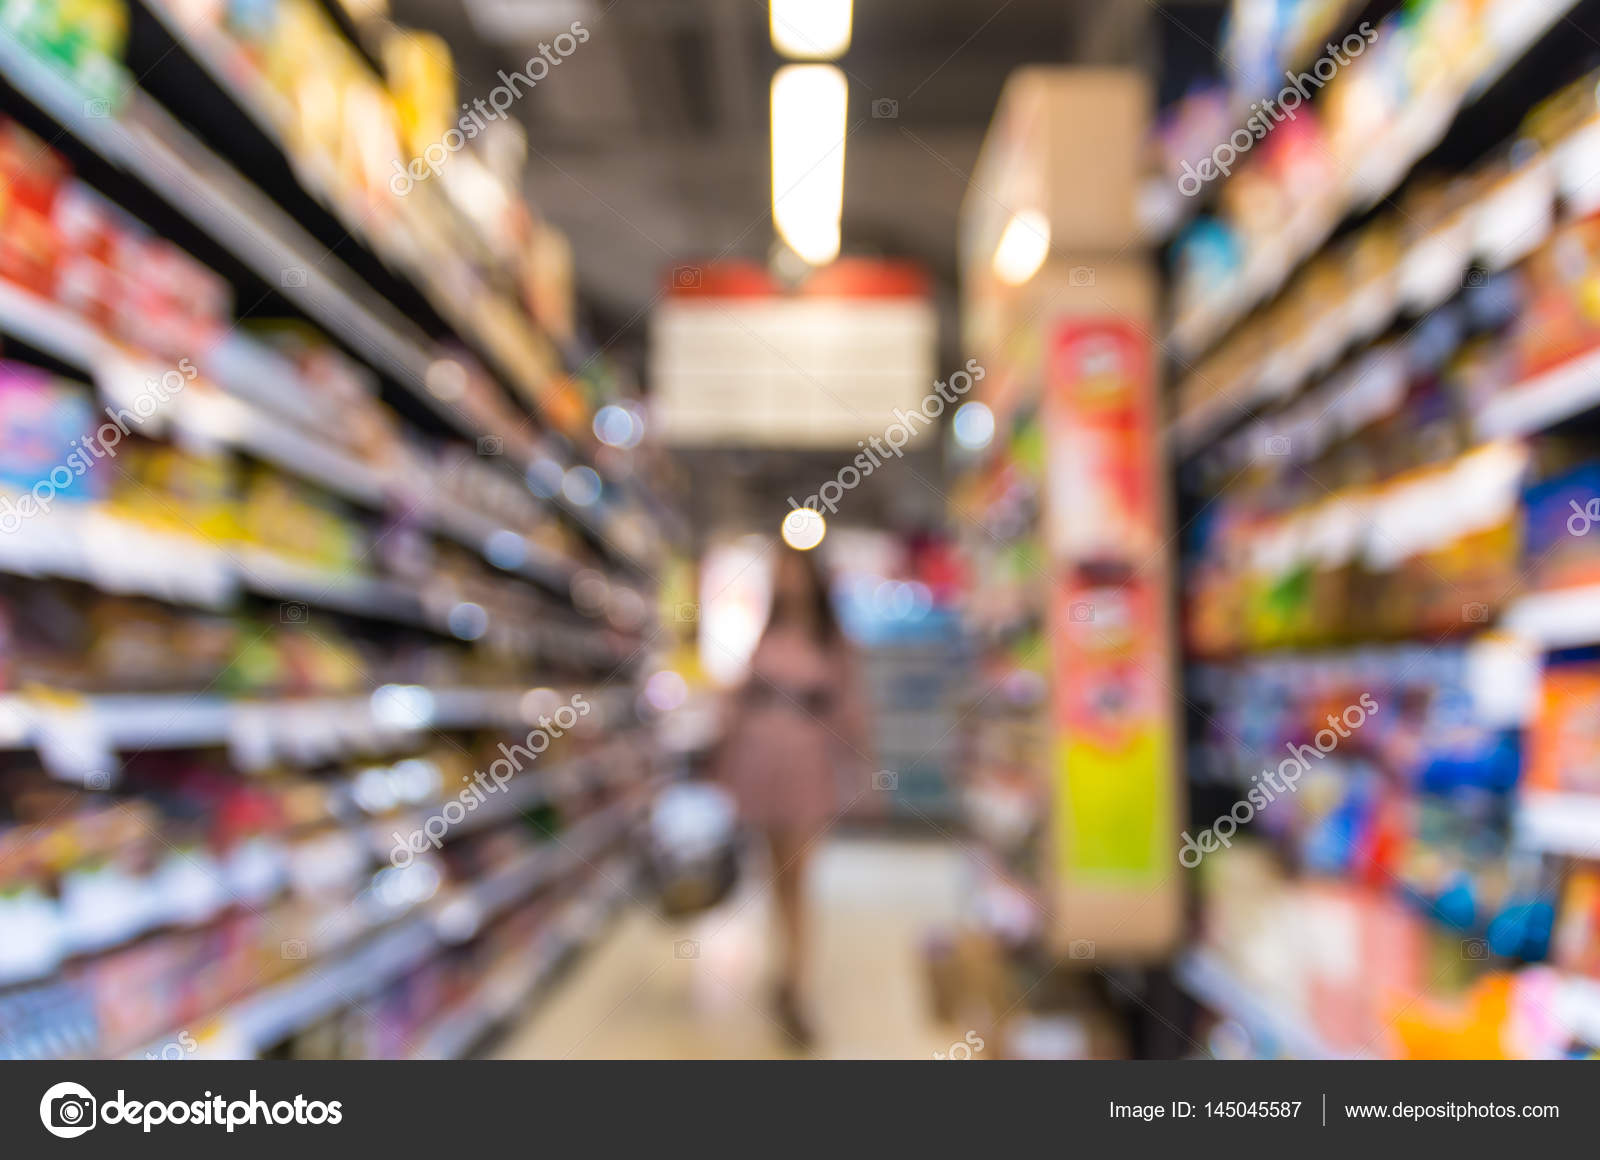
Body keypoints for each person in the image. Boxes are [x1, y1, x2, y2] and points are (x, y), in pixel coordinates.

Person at [712, 546, 873, 1049]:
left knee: (799, 877)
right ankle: (782, 969)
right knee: (773, 875)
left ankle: (797, 985)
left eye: (795, 570)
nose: (788, 580)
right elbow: (737, 705)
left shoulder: (831, 641)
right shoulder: (765, 635)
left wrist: (862, 775)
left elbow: (851, 712)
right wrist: (722, 765)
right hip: (759, 765)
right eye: (780, 570)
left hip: (807, 768)